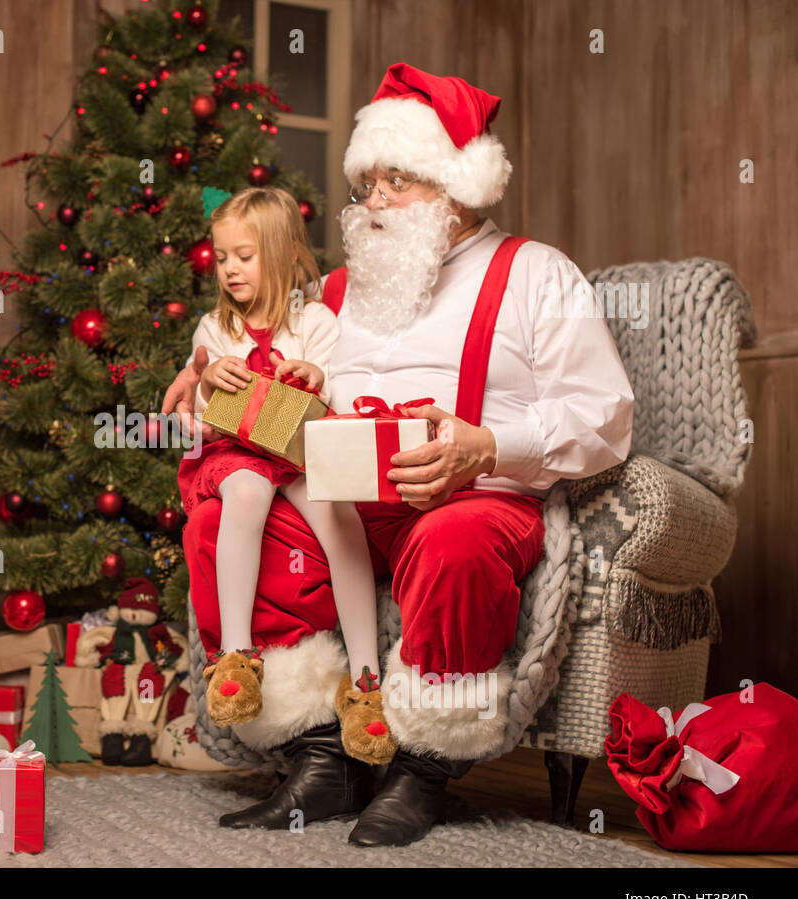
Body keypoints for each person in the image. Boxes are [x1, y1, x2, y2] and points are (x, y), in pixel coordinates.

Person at [163, 63, 634, 846]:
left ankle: (423, 765)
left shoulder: (535, 274)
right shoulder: (335, 292)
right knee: (228, 513)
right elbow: (267, 380)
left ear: (455, 186)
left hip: (468, 497)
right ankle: (320, 755)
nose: (374, 200)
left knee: (455, 543)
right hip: (341, 501)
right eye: (366, 181)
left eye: (398, 180)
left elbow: (606, 415)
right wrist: (208, 382)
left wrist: (485, 446)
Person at [179, 187, 394, 765]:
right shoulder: (213, 330)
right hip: (235, 450)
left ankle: (366, 683)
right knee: (245, 493)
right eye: (221, 258)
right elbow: (198, 421)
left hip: (296, 447)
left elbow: (337, 395)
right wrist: (208, 379)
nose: (229, 270)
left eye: (243, 257)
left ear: (278, 254)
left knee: (336, 509)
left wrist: (313, 375)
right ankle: (236, 654)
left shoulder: (316, 322)